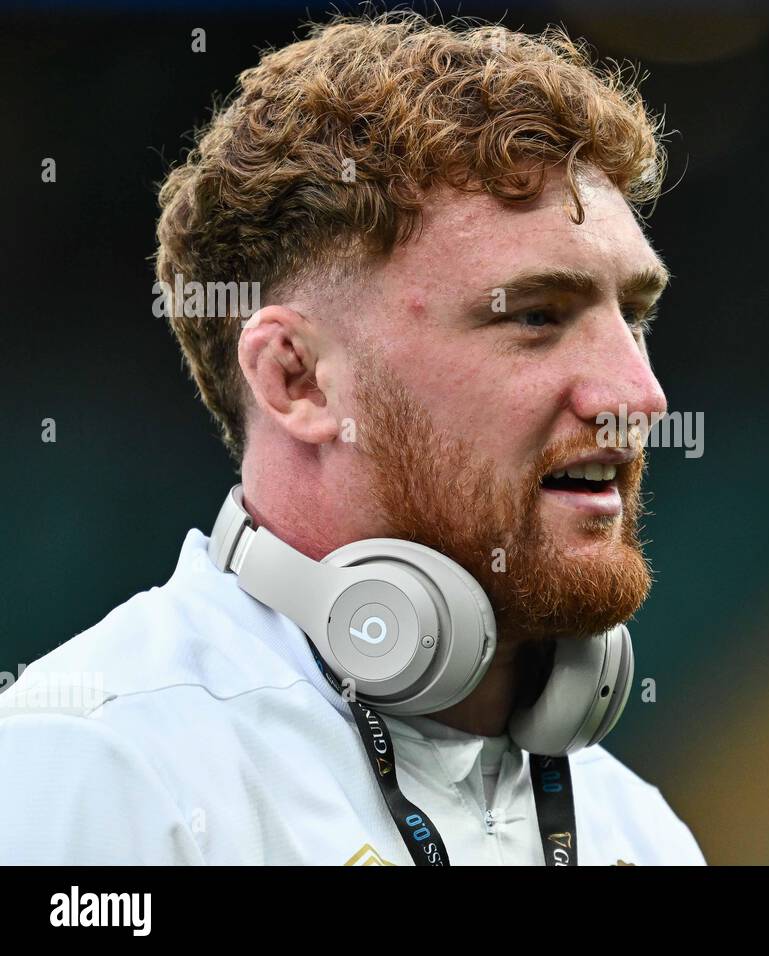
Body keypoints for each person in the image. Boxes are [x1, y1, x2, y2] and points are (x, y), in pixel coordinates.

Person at [0, 12, 705, 866]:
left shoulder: (641, 833)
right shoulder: (97, 769)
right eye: (535, 316)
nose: (639, 396)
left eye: (635, 316)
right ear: (296, 379)